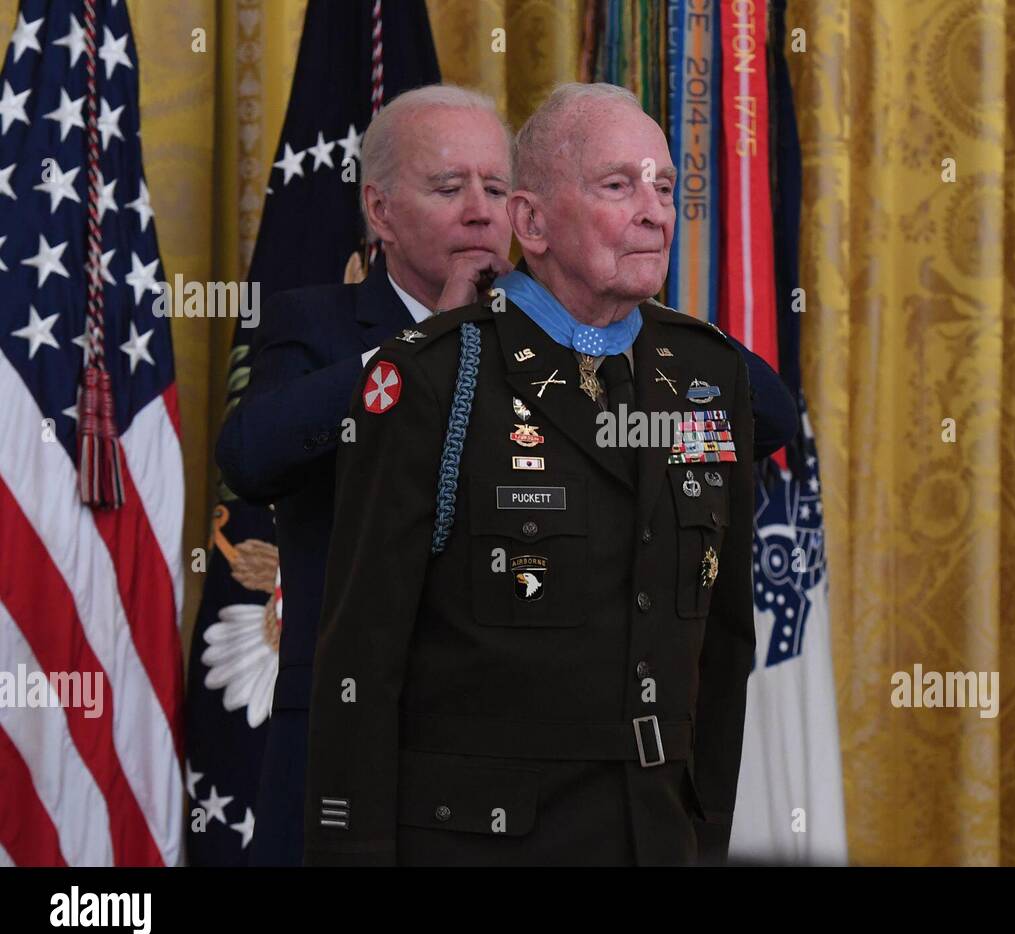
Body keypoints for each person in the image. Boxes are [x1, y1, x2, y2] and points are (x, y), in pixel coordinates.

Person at [303, 82, 758, 866]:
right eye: (618, 185)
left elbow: (724, 649)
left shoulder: (708, 374)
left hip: (655, 839)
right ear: (532, 222)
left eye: (663, 186)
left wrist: (703, 838)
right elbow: (360, 668)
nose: (654, 211)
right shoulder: (437, 376)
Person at [215, 84, 514, 866]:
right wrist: (419, 355)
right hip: (349, 749)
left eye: (499, 188)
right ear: (380, 213)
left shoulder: (556, 339)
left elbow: (770, 415)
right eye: (451, 188)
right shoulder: (313, 324)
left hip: (516, 759)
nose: (481, 210)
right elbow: (249, 456)